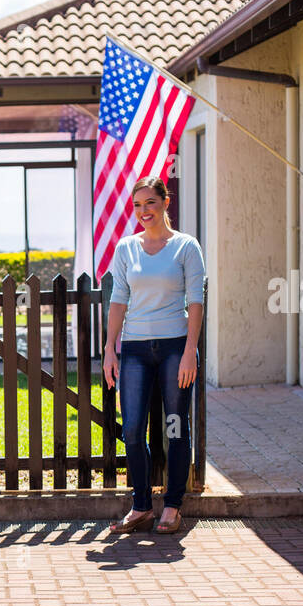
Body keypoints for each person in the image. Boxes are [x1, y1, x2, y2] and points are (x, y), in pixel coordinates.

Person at [102, 176, 205, 534]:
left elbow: (196, 301)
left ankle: (173, 505)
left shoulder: (186, 247)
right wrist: (109, 350)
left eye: (150, 203)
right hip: (134, 349)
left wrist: (190, 351)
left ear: (165, 202)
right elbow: (118, 301)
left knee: (175, 427)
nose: (144, 211)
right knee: (132, 429)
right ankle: (142, 505)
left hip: (176, 346)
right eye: (137, 205)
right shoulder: (126, 249)